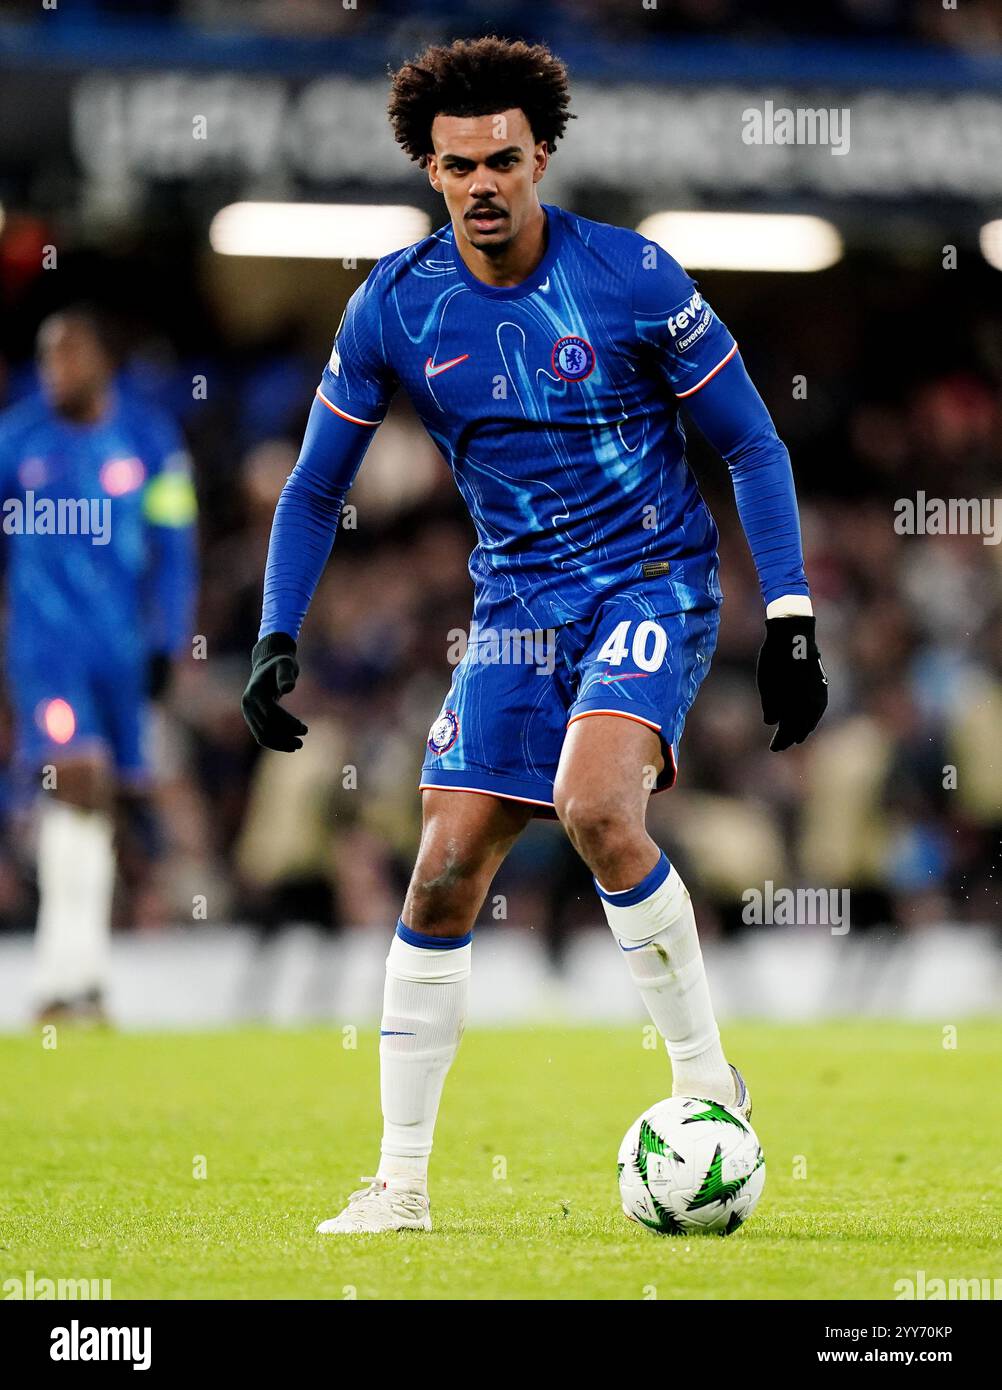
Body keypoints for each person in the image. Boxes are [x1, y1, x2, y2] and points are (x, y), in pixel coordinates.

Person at [242, 37, 828, 1233]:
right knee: (444, 863)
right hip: (515, 610)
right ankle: (400, 1184)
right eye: (458, 166)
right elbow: (310, 491)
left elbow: (753, 443)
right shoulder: (394, 306)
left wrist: (791, 614)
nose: (483, 184)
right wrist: (273, 634)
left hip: (650, 583)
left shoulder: (635, 277)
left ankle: (708, 1086)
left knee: (599, 807)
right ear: (431, 171)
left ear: (542, 155)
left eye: (504, 158)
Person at [0, 307, 197, 1021]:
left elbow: (175, 548)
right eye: (48, 357)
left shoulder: (150, 440)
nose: (57, 370)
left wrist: (171, 639)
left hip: (123, 651)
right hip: (46, 650)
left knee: (103, 797)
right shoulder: (16, 441)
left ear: (101, 362)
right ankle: (62, 977)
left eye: (70, 355)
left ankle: (84, 979)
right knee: (74, 777)